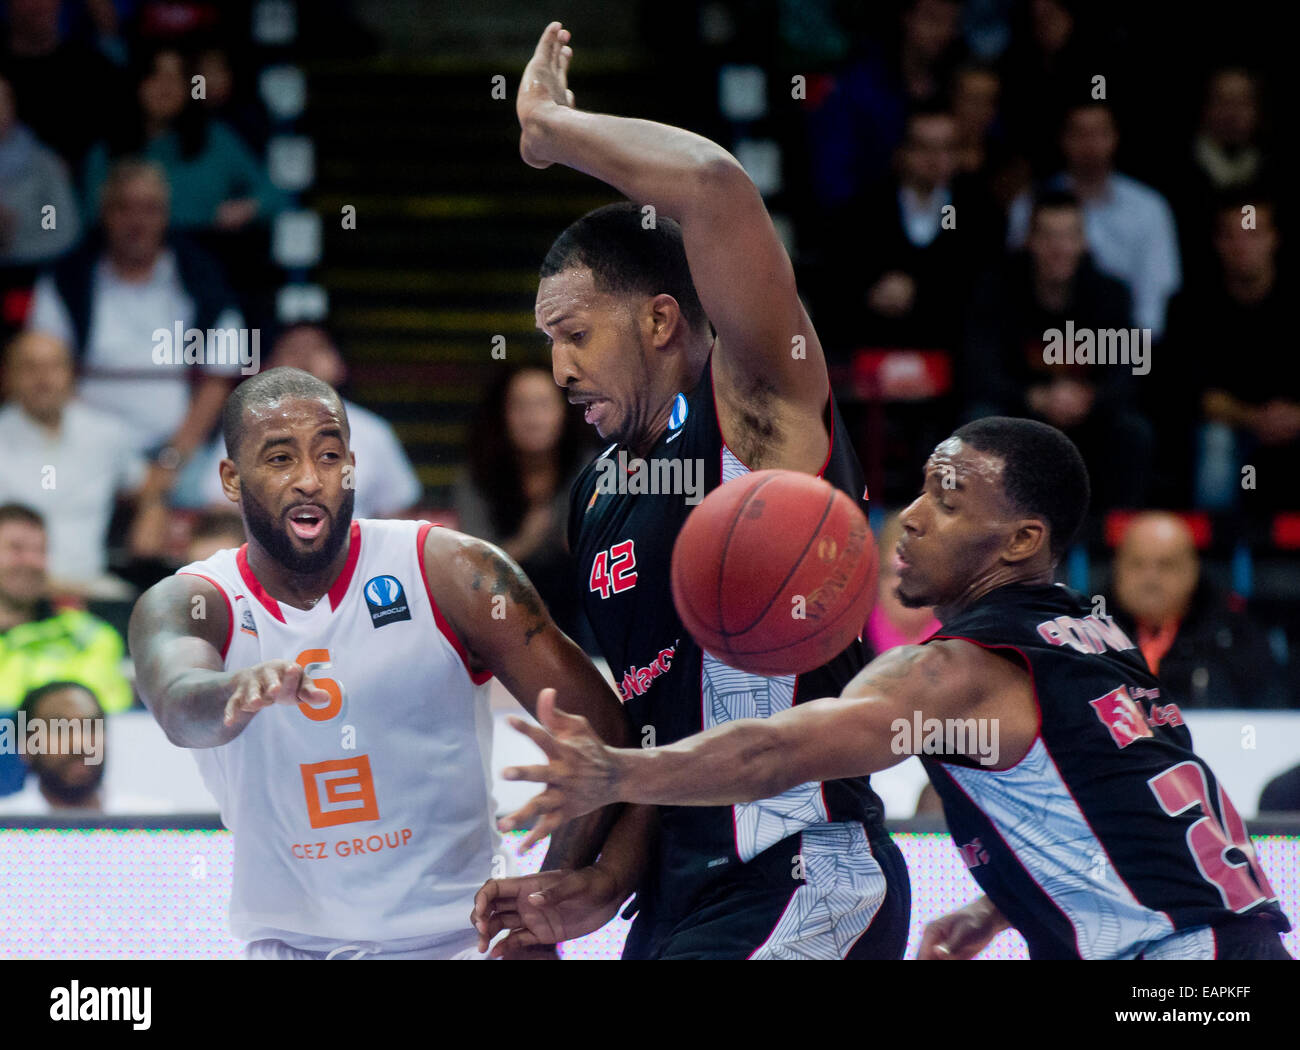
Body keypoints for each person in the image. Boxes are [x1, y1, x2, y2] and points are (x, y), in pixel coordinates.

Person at [500, 417, 1292, 961]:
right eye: (918, 492)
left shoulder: (960, 669)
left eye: (947, 504)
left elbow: (776, 753)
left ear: (1022, 541)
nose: (909, 519)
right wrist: (1000, 904)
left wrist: (617, 770)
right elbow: (1130, 815)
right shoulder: (1094, 639)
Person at [473, 23, 911, 962]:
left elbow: (714, 189)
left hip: (807, 870)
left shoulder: (753, 401)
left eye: (576, 333)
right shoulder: (596, 500)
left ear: (663, 318)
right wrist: (590, 882)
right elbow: (654, 733)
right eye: (548, 342)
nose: (557, 369)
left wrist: (555, 127)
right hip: (680, 898)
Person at [127, 366, 631, 960]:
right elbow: (178, 705)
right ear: (233, 481)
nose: (310, 480)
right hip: (292, 945)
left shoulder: (451, 571)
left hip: (462, 939)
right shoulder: (191, 602)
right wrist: (232, 691)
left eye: (329, 454)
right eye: (281, 459)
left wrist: (545, 899)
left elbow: (604, 727)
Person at [25, 159, 243, 475]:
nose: (136, 221)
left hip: (181, 454)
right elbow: (42, 366)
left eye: (149, 209)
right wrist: (100, 452)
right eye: (124, 208)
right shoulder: (66, 279)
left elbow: (218, 379)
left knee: (226, 494)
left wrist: (173, 460)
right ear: (104, 213)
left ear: (165, 215)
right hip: (80, 447)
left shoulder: (202, 279)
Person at [965, 191, 1153, 510]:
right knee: (979, 419)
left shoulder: (1110, 294)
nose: (1058, 249)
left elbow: (1131, 373)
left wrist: (1090, 398)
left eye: (1068, 236)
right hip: (1020, 414)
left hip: (1091, 417)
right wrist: (1033, 397)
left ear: (1083, 242)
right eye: (1048, 237)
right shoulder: (997, 289)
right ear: (1030, 241)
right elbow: (977, 370)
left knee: (1133, 431)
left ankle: (1116, 541)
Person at [188, 323, 423, 519]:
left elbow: (399, 514)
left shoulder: (374, 432)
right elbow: (220, 510)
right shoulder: (246, 426)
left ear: (340, 366)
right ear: (270, 367)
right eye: (292, 350)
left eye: (317, 349)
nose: (304, 359)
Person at [0, 331, 158, 593]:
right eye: (30, 367)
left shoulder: (107, 434)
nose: (43, 378)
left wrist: (152, 509)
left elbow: (145, 484)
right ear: (8, 376)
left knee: (139, 609)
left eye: (54, 366)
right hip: (12, 592)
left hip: (88, 588)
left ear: (71, 373)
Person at [1007, 101, 1181, 340]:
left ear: (1115, 137)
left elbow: (1155, 298)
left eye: (1099, 133)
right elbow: (1015, 284)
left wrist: (1131, 359)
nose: (1090, 144)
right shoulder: (1030, 204)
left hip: (1124, 344)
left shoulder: (1149, 208)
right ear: (1063, 139)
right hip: (1039, 342)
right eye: (1079, 133)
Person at [454, 365, 592, 643]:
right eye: (520, 406)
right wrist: (525, 543)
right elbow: (473, 570)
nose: (533, 418)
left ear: (564, 411)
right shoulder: (478, 476)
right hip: (504, 604)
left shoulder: (592, 468)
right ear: (502, 415)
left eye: (543, 404)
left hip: (579, 608)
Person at [1110, 512, 1290, 709]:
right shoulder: (1089, 633)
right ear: (1117, 568)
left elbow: (1272, 717)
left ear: (1193, 570)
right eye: (1137, 564)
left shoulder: (1234, 637)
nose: (1150, 578)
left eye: (1166, 565)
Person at [0, 503, 133, 715]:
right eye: (16, 549)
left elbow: (109, 718)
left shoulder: (86, 635)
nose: (32, 562)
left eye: (40, 551)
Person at [0, 681, 170, 814]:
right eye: (59, 729)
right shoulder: (7, 830)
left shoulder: (156, 827)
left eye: (91, 727)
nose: (80, 744)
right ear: (26, 745)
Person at [0, 71, 81, 266]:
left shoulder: (44, 168)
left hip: (28, 278)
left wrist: (10, 247)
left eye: (2, 100)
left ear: (13, 106)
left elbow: (55, 229)